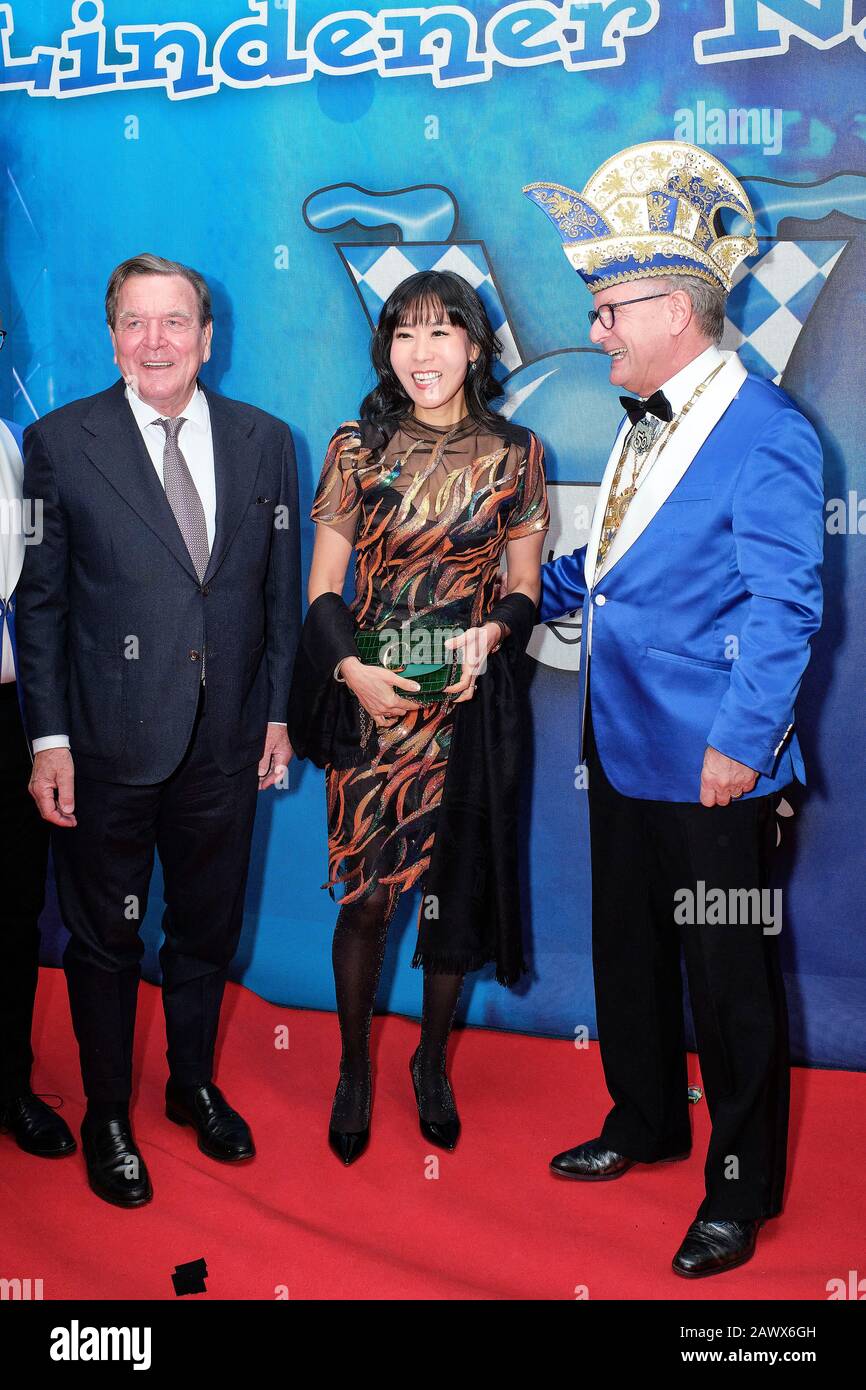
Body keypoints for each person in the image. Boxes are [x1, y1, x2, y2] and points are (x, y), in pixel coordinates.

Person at [525, 141, 824, 1277]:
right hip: (621, 746)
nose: (593, 327)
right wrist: (505, 601)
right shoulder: (639, 413)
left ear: (673, 309)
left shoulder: (770, 433)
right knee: (628, 952)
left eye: (605, 308)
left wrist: (737, 750)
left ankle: (738, 1191)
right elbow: (605, 572)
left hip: (712, 768)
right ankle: (642, 1120)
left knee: (730, 980)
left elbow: (786, 610)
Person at [16, 254, 301, 1207]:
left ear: (207, 337)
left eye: (174, 322)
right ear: (111, 338)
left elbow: (277, 598)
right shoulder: (58, 444)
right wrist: (47, 740)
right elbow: (42, 607)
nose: (155, 342)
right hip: (105, 746)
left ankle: (191, 1086)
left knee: (206, 931)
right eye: (134, 323)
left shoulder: (268, 442)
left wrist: (274, 714)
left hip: (225, 746)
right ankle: (106, 1114)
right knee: (103, 943)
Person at [288, 270, 549, 1164]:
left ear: (477, 347)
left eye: (442, 334)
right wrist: (353, 670)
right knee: (363, 903)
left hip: (467, 713)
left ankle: (431, 1063)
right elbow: (323, 589)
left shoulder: (518, 454)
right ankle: (355, 1068)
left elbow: (524, 585)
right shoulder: (356, 447)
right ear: (386, 350)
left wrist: (494, 638)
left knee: (452, 899)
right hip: (370, 706)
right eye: (405, 334)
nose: (423, 353)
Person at [0, 310, 75, 1160]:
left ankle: (11, 1084)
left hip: (10, 719)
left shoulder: (13, 445)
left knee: (14, 911)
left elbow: (39, 586)